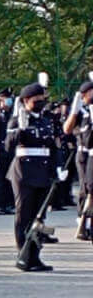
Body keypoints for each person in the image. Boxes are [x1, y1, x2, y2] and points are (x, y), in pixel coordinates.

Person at [6, 78, 66, 271]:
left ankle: (35, 255)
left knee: (39, 217)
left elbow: (54, 146)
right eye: (36, 99)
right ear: (25, 101)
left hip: (44, 171)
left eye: (42, 98)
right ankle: (23, 254)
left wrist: (58, 166)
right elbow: (8, 145)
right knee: (24, 214)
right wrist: (20, 130)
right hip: (24, 172)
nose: (40, 102)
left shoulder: (46, 119)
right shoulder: (17, 119)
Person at [63, 77, 93, 240]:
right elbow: (67, 129)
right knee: (85, 189)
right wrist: (74, 111)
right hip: (84, 153)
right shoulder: (79, 111)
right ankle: (83, 221)